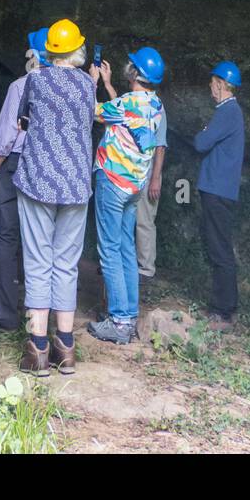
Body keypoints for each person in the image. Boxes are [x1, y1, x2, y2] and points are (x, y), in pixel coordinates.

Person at [13, 18, 95, 378]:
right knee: (66, 263)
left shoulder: (36, 79)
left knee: (37, 260)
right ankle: (66, 346)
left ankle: (38, 349)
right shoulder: (87, 86)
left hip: (37, 182)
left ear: (48, 51)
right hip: (76, 186)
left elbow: (22, 121)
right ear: (78, 50)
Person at [88, 46, 165, 345]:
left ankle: (118, 321)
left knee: (109, 249)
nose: (127, 65)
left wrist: (93, 82)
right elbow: (121, 112)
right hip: (134, 186)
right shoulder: (155, 105)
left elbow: (94, 113)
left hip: (112, 182)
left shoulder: (130, 103)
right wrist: (108, 85)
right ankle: (129, 315)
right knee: (125, 249)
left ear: (136, 73)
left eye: (131, 63)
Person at [0, 27, 48, 331]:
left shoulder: (20, 86)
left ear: (33, 56)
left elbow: (8, 134)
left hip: (14, 166)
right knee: (40, 240)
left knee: (5, 234)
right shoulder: (67, 90)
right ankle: (41, 319)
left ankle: (7, 316)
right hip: (46, 169)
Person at [194, 59, 244, 329]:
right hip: (219, 188)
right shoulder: (229, 111)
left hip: (217, 188)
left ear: (222, 85)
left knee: (220, 248)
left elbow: (201, 143)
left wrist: (202, 133)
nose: (210, 88)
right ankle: (225, 306)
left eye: (213, 83)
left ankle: (223, 310)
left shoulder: (227, 111)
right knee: (219, 246)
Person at [136, 95, 168, 279]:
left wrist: (155, 178)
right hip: (133, 171)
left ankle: (146, 268)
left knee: (144, 220)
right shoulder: (132, 101)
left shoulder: (157, 105)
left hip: (148, 173)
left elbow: (160, 146)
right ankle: (131, 264)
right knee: (133, 220)